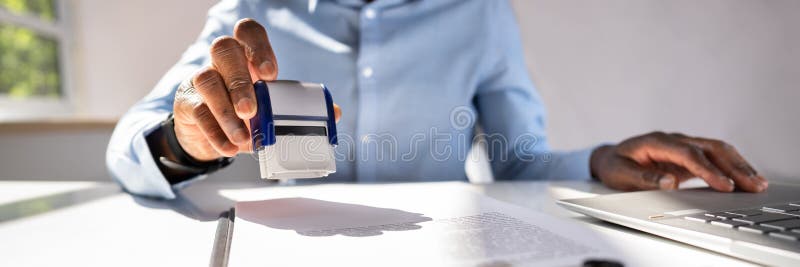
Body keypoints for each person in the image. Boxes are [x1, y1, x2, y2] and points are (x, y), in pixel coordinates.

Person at [106, 0, 768, 199]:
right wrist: (182, 140)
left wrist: (599, 161)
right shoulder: (252, 10)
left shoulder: (480, 15)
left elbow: (515, 163)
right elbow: (127, 146)